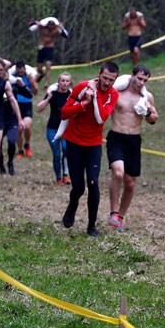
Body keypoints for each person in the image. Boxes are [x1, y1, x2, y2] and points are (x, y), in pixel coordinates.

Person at [60, 61, 120, 237]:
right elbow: (64, 113)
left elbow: (101, 118)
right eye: (105, 78)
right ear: (99, 74)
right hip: (74, 142)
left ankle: (91, 226)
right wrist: (84, 102)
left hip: (93, 144)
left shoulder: (112, 95)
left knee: (93, 182)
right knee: (78, 187)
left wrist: (95, 97)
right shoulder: (81, 87)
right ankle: (72, 207)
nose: (107, 82)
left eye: (111, 80)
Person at [107, 64, 158, 230]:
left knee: (130, 183)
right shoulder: (117, 93)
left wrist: (149, 111)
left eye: (145, 80)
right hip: (116, 137)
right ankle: (113, 213)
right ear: (132, 76)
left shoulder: (146, 97)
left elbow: (153, 119)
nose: (142, 82)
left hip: (134, 141)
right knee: (118, 173)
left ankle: (121, 216)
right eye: (139, 78)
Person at [37, 72, 73, 185]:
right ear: (58, 82)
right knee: (57, 155)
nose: (64, 83)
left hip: (67, 129)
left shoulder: (72, 95)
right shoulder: (52, 94)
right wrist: (48, 98)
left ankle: (66, 175)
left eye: (67, 81)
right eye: (62, 80)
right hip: (52, 129)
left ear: (69, 83)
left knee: (67, 151)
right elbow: (39, 108)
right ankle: (58, 178)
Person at [29, 16, 70, 88]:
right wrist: (35, 23)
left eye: (52, 25)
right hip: (41, 48)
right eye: (49, 25)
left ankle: (46, 83)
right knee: (39, 68)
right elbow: (30, 27)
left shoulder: (56, 30)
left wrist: (62, 27)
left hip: (50, 48)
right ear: (47, 25)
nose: (51, 27)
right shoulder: (42, 28)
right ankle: (42, 74)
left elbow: (66, 36)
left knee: (48, 65)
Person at [11, 61, 38, 158]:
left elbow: (35, 92)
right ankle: (20, 150)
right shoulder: (13, 77)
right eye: (18, 71)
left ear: (25, 69)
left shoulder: (29, 77)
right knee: (19, 129)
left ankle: (27, 144)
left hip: (27, 105)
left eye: (22, 71)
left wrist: (33, 83)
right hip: (16, 105)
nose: (20, 72)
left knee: (27, 126)